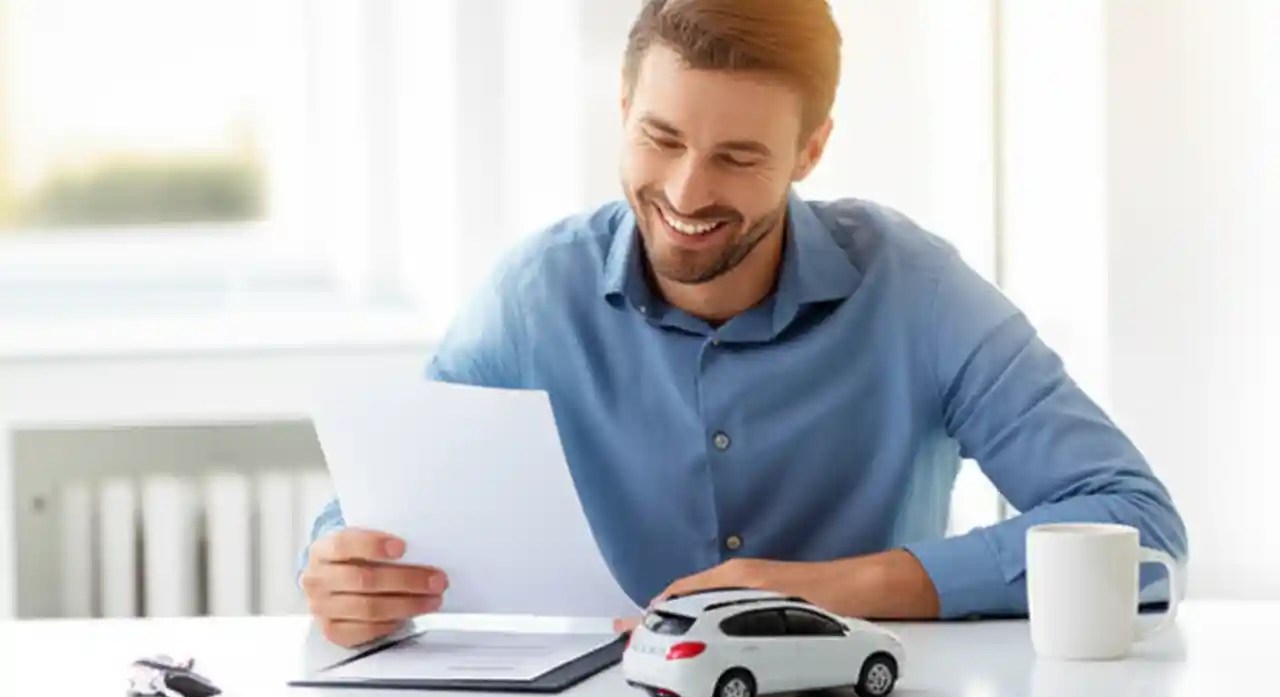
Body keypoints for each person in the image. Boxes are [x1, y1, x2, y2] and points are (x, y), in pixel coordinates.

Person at [299, 0, 1187, 648]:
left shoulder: (917, 292)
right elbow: (390, 507)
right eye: (661, 139)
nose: (686, 193)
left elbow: (1139, 526)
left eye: (738, 156)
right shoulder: (534, 295)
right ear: (622, 107)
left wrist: (826, 590)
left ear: (811, 149)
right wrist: (346, 570)